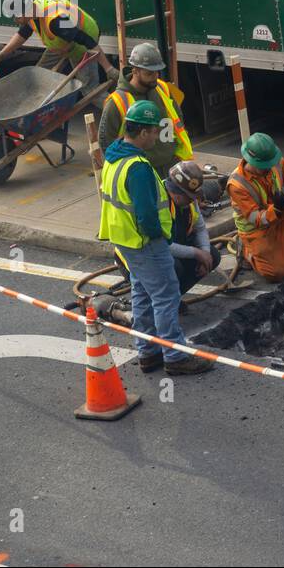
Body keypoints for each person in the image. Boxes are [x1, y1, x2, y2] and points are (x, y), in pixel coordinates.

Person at [98, 100, 213, 376]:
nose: (158, 136)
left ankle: (148, 352)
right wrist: (157, 237)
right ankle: (174, 356)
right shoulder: (137, 167)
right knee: (165, 296)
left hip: (125, 241)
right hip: (145, 243)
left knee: (142, 294)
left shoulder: (113, 159)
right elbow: (147, 214)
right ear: (144, 132)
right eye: (155, 131)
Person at [227, 132, 284, 284]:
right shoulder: (237, 184)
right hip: (257, 229)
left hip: (278, 216)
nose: (268, 169)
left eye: (269, 165)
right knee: (275, 274)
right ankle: (246, 250)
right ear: (250, 160)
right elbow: (256, 219)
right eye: (263, 167)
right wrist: (277, 209)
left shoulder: (276, 162)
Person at [96, 41, 192, 174]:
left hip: (171, 165)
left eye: (157, 72)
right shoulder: (117, 102)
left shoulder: (162, 88)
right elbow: (106, 143)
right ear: (135, 70)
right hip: (142, 171)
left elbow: (178, 121)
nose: (155, 77)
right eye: (149, 73)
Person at [0, 0, 116, 78]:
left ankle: (118, 109)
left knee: (90, 90)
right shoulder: (32, 10)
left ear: (25, 11)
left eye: (16, 17)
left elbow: (88, 41)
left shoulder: (56, 21)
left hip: (82, 40)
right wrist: (0, 55)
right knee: (40, 75)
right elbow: (23, 34)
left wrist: (108, 69)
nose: (15, 20)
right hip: (61, 42)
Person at [163, 161, 220, 295]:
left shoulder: (188, 201)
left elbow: (200, 228)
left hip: (175, 246)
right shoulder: (159, 202)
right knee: (172, 267)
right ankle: (160, 302)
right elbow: (163, 246)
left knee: (212, 255)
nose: (193, 200)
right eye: (189, 197)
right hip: (145, 257)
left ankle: (175, 298)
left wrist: (205, 254)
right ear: (176, 193)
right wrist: (197, 253)